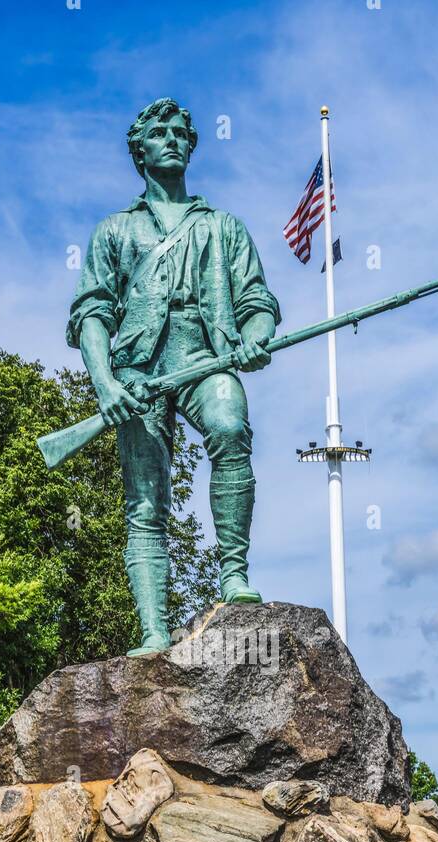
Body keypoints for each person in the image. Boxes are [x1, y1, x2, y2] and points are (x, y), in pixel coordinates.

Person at [67, 98, 281, 655]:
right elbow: (91, 313)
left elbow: (258, 299)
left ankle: (233, 575)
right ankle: (154, 631)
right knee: (144, 501)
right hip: (137, 372)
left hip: (204, 356)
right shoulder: (115, 230)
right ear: (139, 151)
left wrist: (255, 333)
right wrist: (105, 384)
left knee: (231, 427)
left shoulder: (223, 227)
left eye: (181, 132)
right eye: (159, 133)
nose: (173, 139)